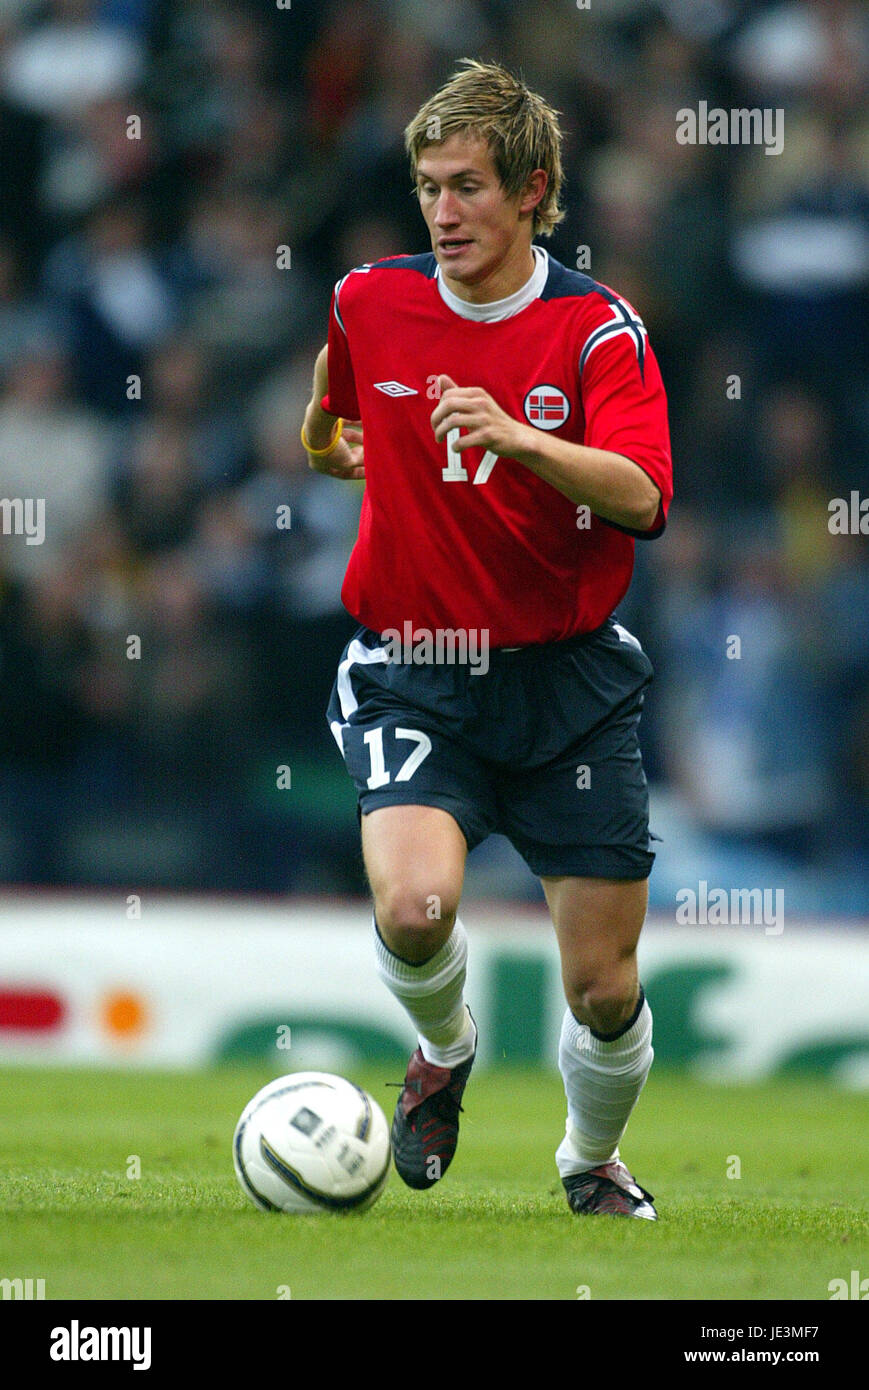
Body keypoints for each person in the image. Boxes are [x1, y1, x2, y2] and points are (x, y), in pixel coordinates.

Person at [301, 60, 672, 1219]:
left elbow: (644, 495)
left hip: (567, 682)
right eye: (428, 187)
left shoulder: (594, 331)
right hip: (415, 663)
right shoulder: (370, 298)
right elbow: (330, 409)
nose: (444, 213)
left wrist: (518, 440)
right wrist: (326, 444)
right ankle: (444, 1050)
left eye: (467, 187)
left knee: (602, 988)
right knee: (413, 910)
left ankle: (587, 1162)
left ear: (533, 191)